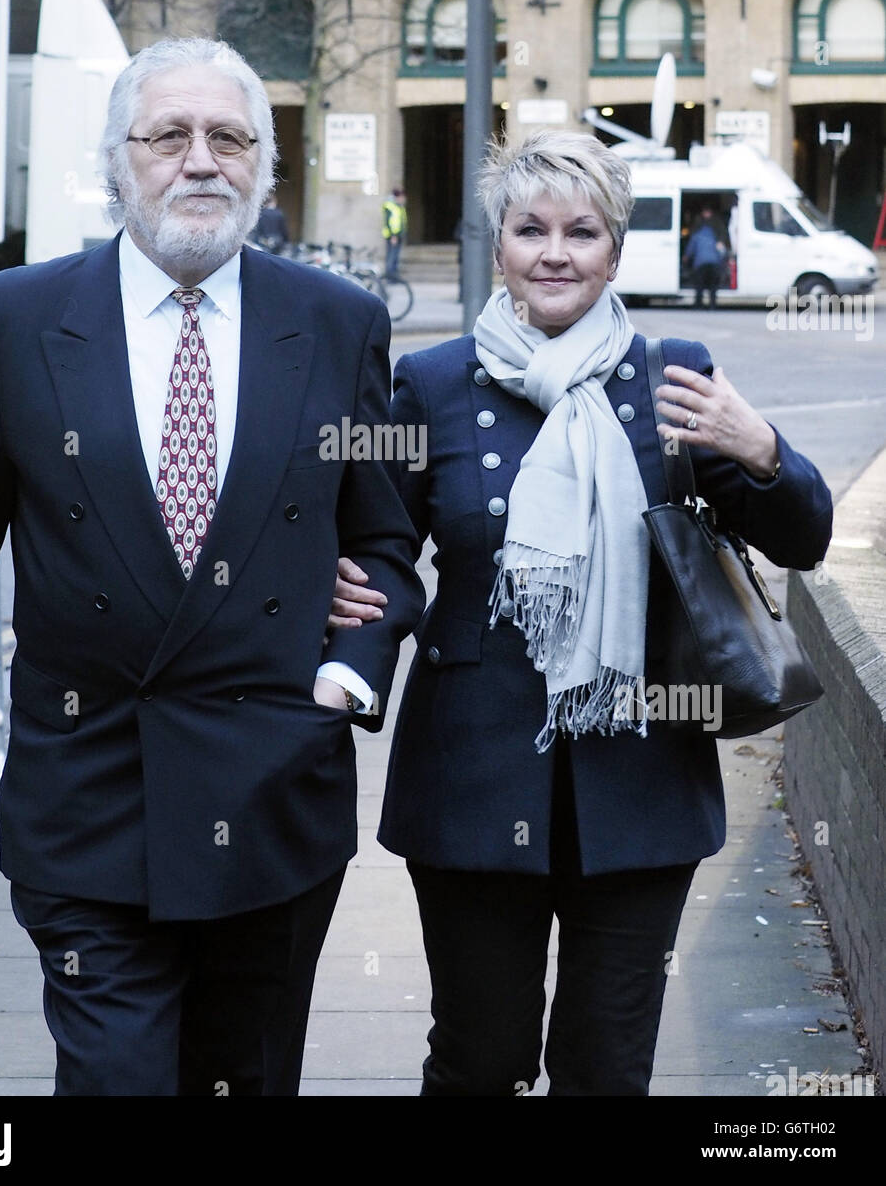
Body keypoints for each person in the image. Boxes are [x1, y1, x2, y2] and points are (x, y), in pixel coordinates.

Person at [0, 36, 424, 1097]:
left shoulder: (339, 322)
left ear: (265, 164)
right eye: (169, 135)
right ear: (117, 160)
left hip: (272, 799)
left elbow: (386, 542)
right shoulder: (17, 318)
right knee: (116, 1075)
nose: (200, 161)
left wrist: (349, 668)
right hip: (87, 797)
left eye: (229, 137)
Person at [330, 130, 832, 1096]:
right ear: (500, 245)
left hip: (639, 780)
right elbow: (377, 543)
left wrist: (762, 450)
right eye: (530, 230)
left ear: (614, 251)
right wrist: (338, 606)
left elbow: (803, 538)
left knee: (607, 1065)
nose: (554, 253)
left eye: (582, 232)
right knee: (479, 1057)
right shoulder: (430, 386)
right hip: (472, 783)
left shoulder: (671, 373)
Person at [684, 206, 726, 308]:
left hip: (700, 264)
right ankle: (712, 305)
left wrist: (686, 257)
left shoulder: (696, 236)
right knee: (713, 286)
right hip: (714, 264)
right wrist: (721, 262)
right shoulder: (715, 237)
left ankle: (698, 305)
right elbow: (722, 251)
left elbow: (690, 250)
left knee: (699, 286)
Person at [382, 187, 407, 280]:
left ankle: (393, 276)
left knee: (394, 256)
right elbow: (390, 222)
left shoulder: (398, 206)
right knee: (392, 257)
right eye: (402, 196)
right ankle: (390, 276)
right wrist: (394, 235)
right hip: (393, 236)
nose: (403, 199)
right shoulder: (391, 206)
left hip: (397, 235)